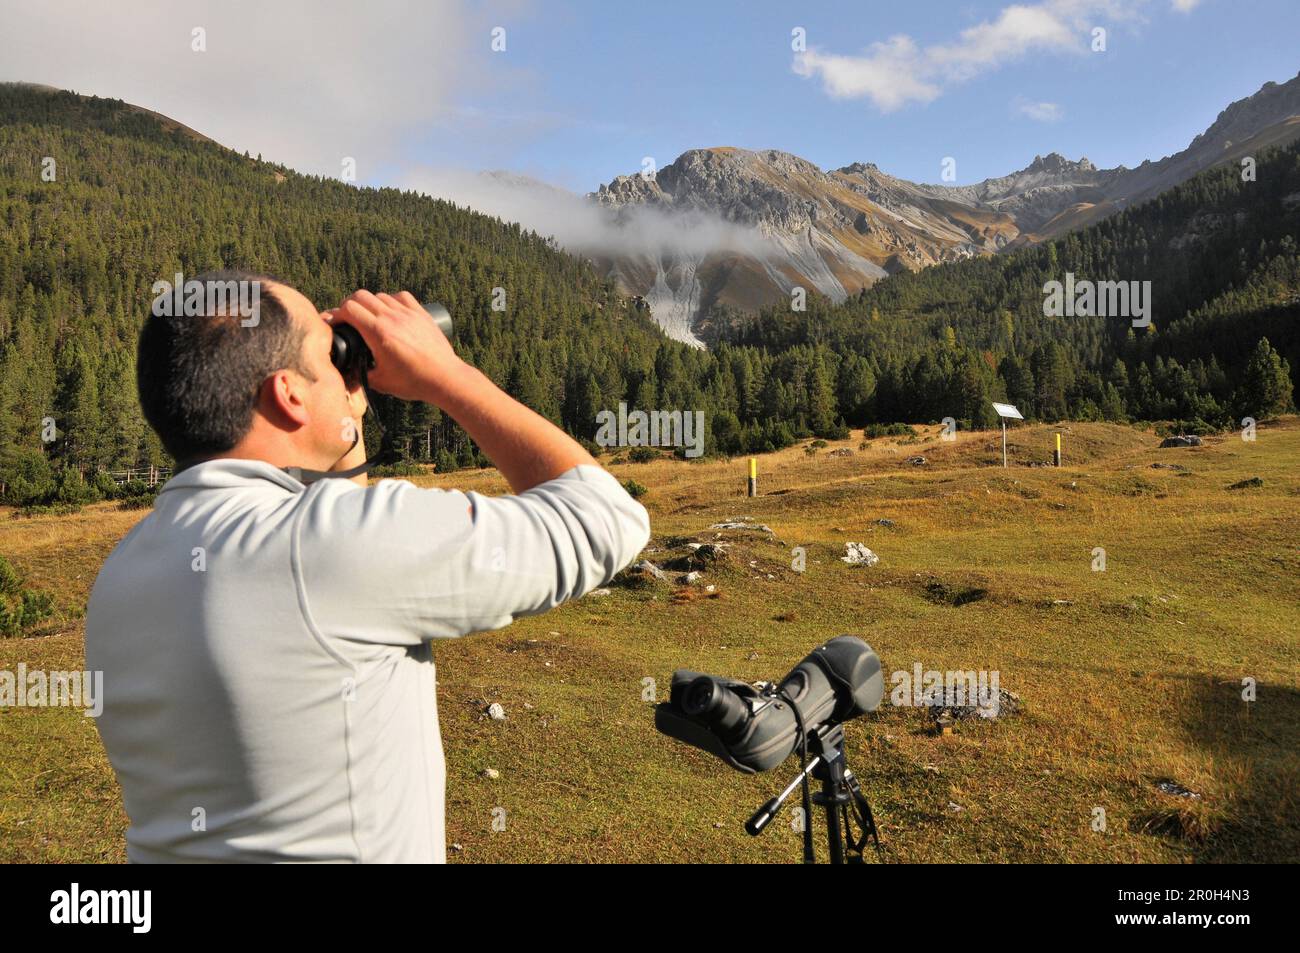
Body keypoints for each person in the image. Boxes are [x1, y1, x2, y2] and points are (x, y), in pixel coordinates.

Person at [85, 271, 651, 862]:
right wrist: (446, 374)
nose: (344, 364)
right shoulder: (326, 548)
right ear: (289, 395)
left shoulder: (123, 572)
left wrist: (341, 417)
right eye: (328, 353)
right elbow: (605, 519)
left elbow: (328, 548)